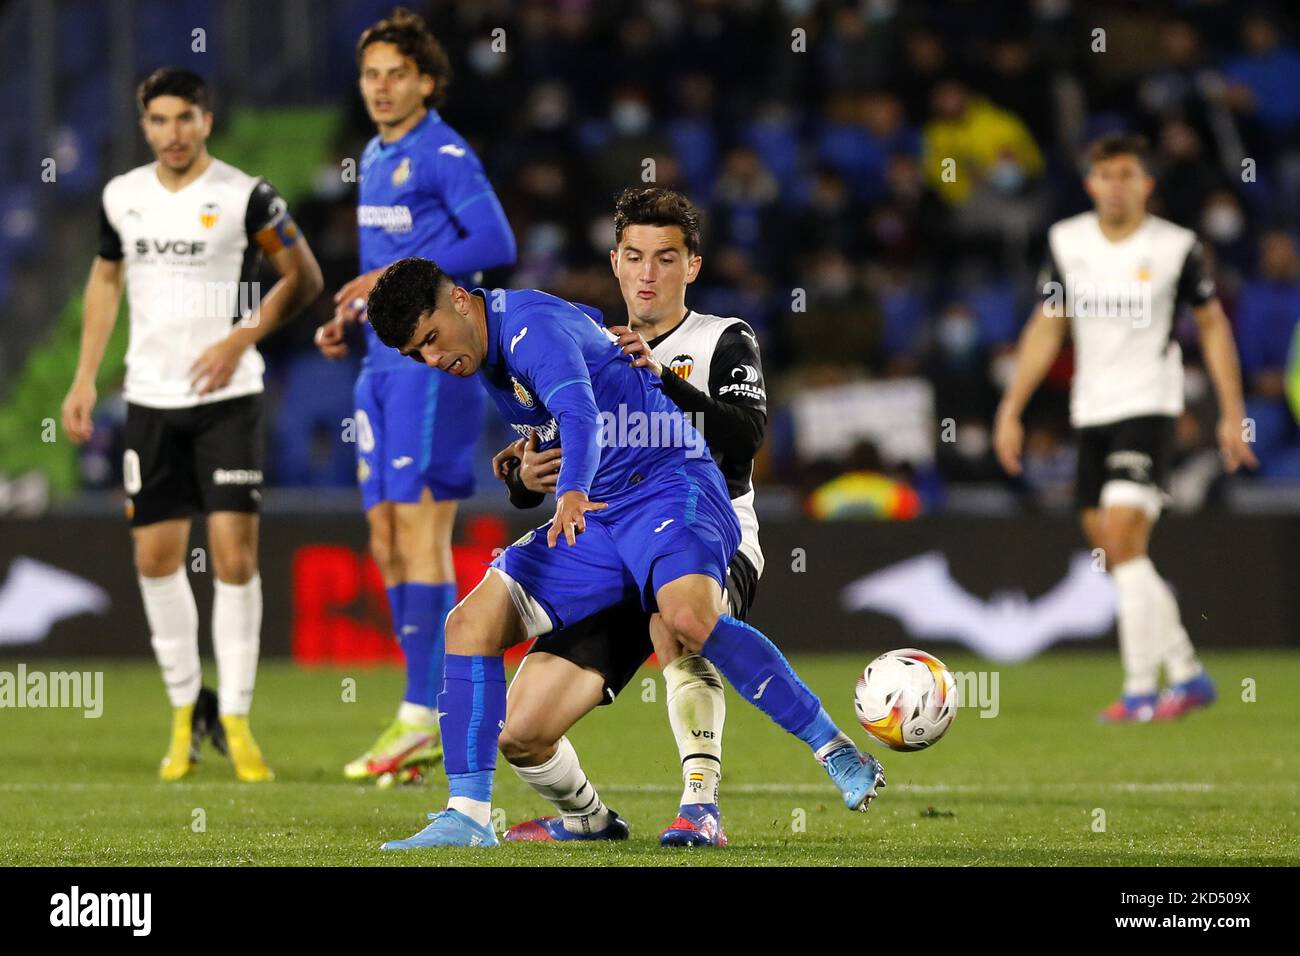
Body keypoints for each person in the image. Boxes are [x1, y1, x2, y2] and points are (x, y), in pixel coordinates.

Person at [364, 258, 886, 850]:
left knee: (687, 618)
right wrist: (525, 462)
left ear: (460, 300)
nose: (433, 359)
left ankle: (833, 748)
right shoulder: (494, 350)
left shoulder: (526, 327)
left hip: (670, 484)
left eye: (431, 339)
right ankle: (476, 814)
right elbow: (584, 375)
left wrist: (571, 491)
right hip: (604, 513)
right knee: (471, 627)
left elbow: (581, 413)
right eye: (417, 354)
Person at [60, 67, 323, 780]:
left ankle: (236, 720)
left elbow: (304, 275)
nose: (172, 133)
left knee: (234, 556)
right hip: (149, 401)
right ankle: (186, 713)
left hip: (229, 398)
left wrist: (243, 337)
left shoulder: (245, 195)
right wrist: (85, 377)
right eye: (159, 120)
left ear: (206, 121)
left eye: (185, 118)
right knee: (155, 559)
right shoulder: (123, 197)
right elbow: (106, 280)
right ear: (145, 126)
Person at [489, 187, 766, 847]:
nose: (648, 274)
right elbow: (551, 460)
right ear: (614, 262)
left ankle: (700, 806)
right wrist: (522, 479)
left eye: (666, 258)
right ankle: (587, 818)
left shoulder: (723, 338)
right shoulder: (580, 345)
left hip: (705, 536)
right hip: (609, 549)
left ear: (692, 266)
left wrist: (664, 378)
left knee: (675, 621)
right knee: (520, 731)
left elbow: (745, 434)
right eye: (635, 257)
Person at [314, 7, 516, 782]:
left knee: (421, 535)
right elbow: (385, 274)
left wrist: (386, 282)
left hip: (431, 370)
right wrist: (355, 314)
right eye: (371, 74)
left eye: (398, 74)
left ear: (426, 81)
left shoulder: (443, 152)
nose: (382, 87)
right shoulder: (373, 152)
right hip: (379, 364)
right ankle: (420, 710)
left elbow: (495, 242)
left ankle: (420, 713)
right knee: (385, 541)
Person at [993, 133, 1258, 723]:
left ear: (1147, 184)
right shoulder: (1068, 242)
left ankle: (1141, 690)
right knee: (1113, 550)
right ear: (1090, 184)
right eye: (1105, 175)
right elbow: (1048, 323)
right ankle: (1187, 673)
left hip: (1150, 407)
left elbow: (1212, 327)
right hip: (1092, 412)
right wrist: (1012, 407)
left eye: (1127, 174)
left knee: (1121, 534)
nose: (1116, 185)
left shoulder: (1177, 248)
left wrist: (1232, 411)